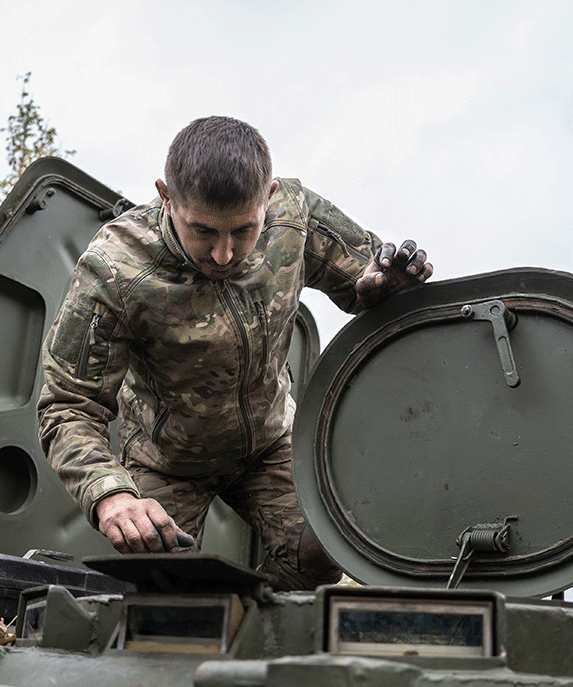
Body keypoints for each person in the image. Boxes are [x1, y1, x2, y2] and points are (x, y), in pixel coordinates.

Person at [37, 116, 433, 591]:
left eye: (244, 231)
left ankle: (251, 626)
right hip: (167, 459)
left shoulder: (293, 215)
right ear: (167, 197)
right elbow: (67, 405)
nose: (225, 254)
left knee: (325, 550)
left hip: (270, 443)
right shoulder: (115, 268)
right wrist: (111, 496)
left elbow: (368, 278)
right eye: (203, 231)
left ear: (267, 198)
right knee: (159, 591)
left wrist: (388, 286)